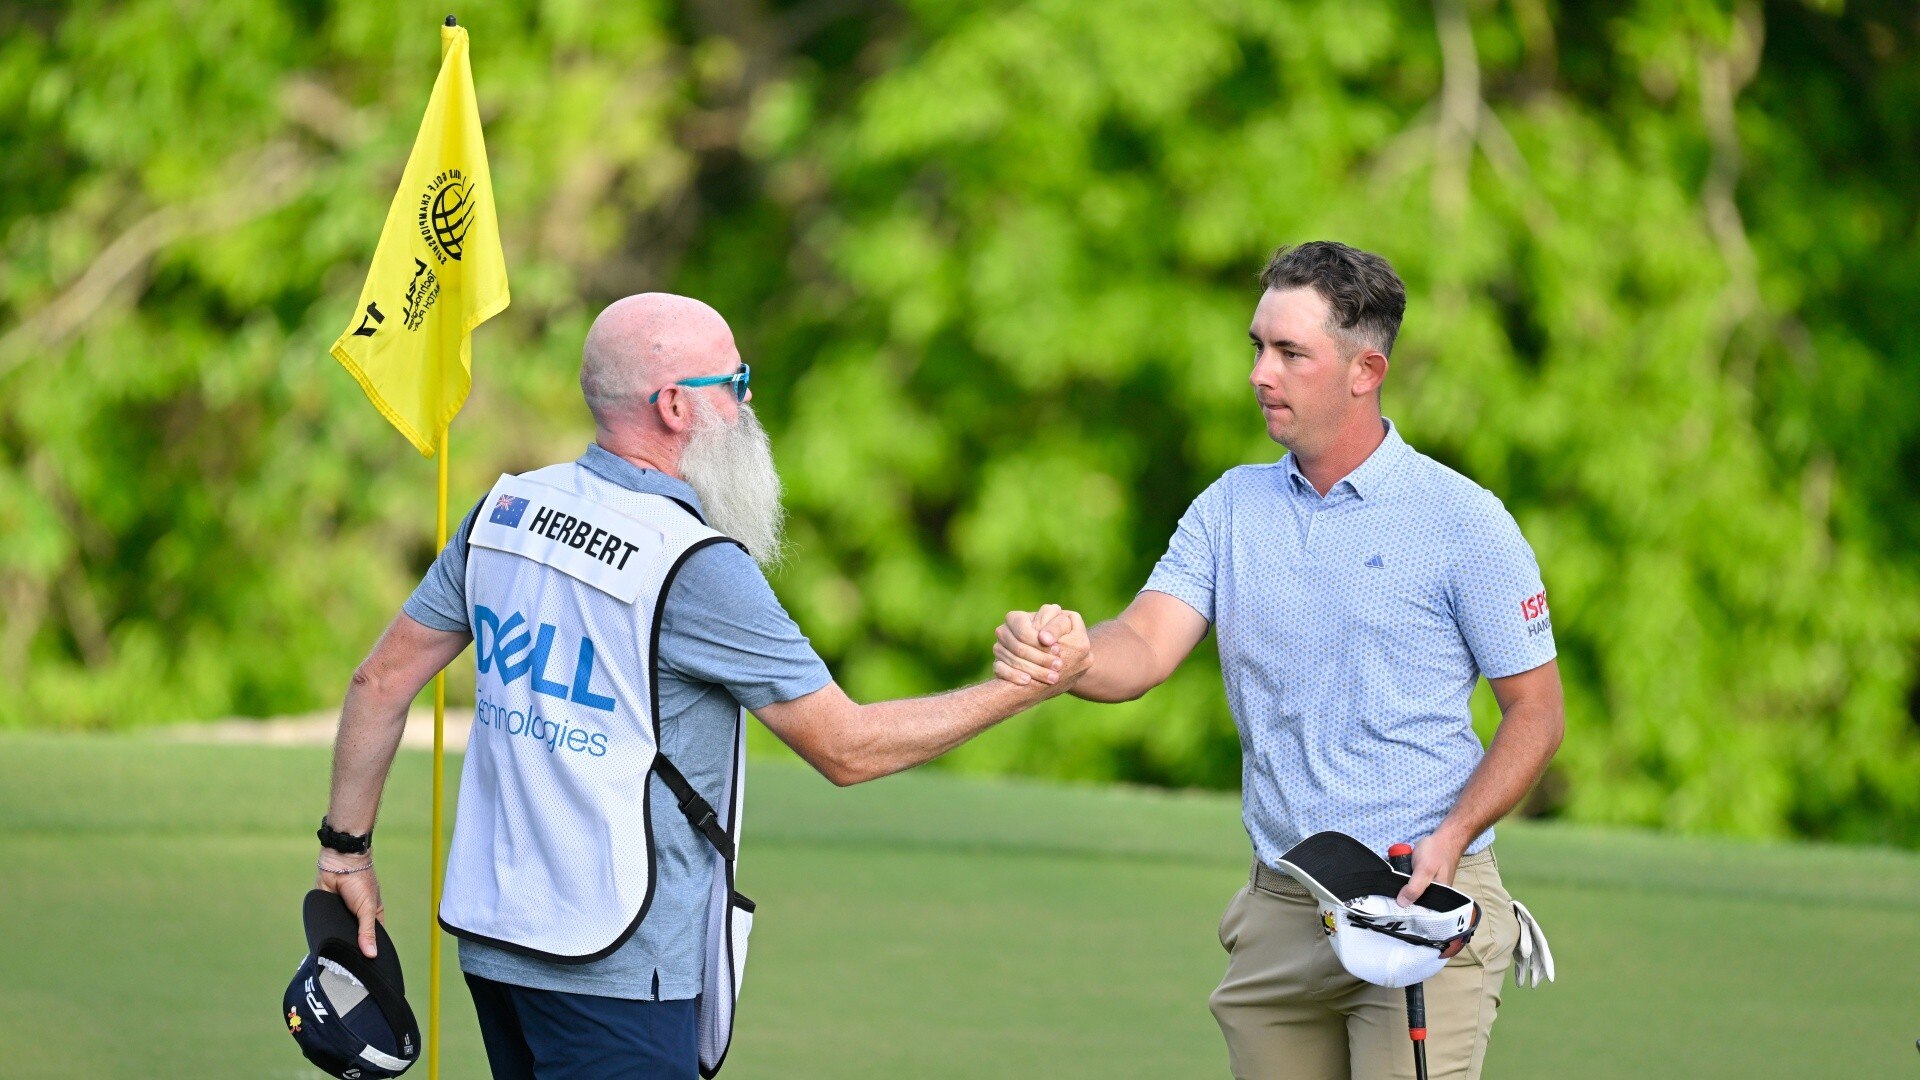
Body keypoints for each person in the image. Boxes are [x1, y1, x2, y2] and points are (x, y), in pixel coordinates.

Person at [312, 293, 1090, 1080]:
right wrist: (1024, 689)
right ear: (675, 405)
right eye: (734, 380)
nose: (747, 401)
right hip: (618, 965)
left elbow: (379, 680)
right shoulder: (695, 565)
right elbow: (846, 748)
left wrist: (345, 855)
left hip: (495, 945)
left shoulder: (505, 510)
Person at [993, 242, 1564, 1079]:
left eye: (1291, 353)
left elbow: (1537, 713)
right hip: (1283, 909)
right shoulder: (1229, 507)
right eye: (1258, 346)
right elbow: (1144, 645)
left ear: (1366, 369)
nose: (1261, 373)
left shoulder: (1463, 522)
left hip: (1419, 905)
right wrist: (1077, 657)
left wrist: (1452, 838)